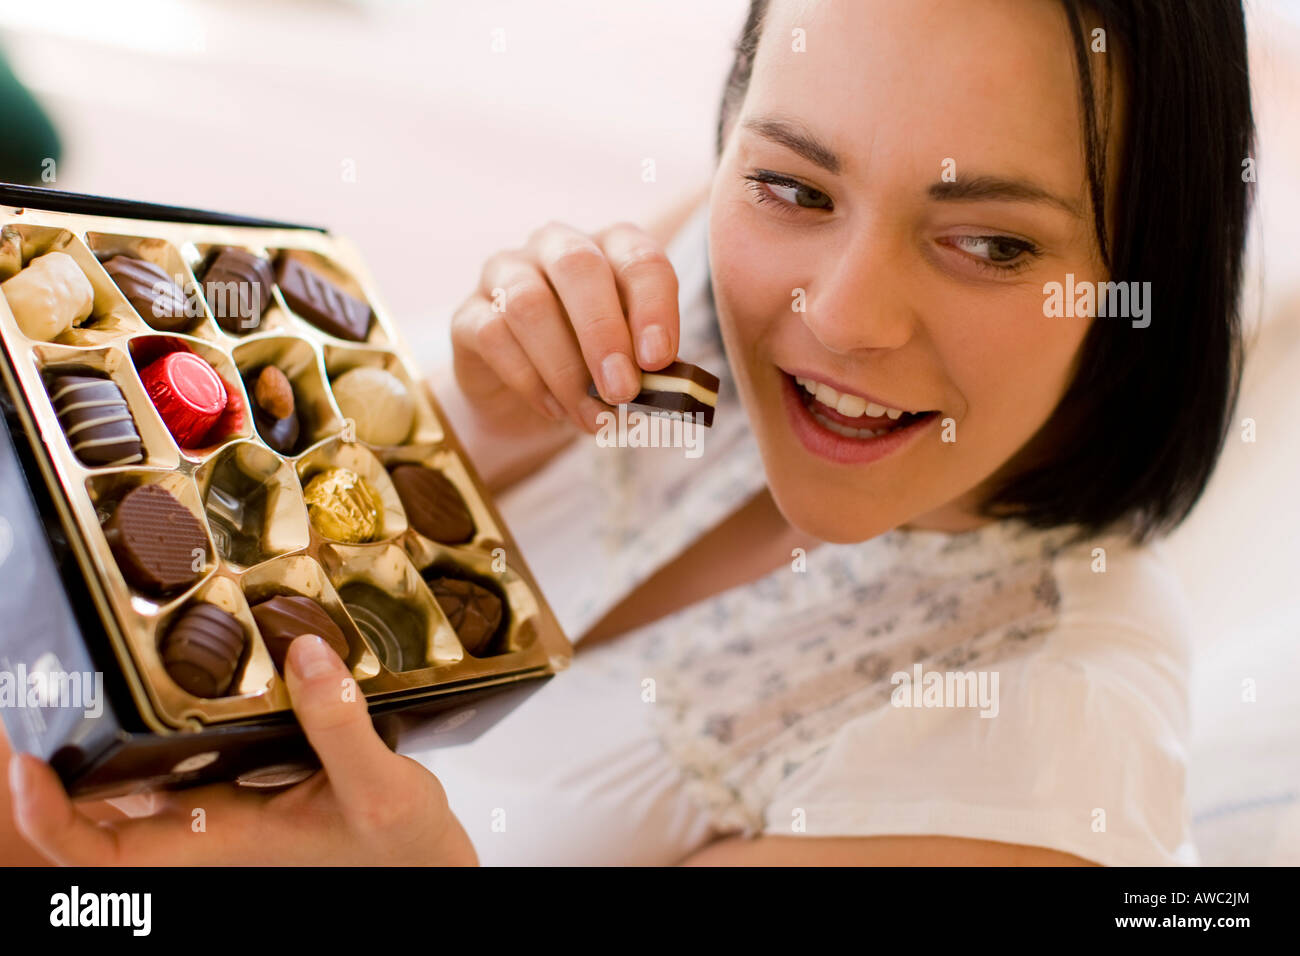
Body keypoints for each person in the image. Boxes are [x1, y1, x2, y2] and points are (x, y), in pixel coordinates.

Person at [8, 0, 1254, 866]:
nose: (840, 317)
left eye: (991, 242)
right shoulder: (705, 302)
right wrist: (466, 418)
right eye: (793, 185)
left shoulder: (1040, 752)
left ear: (1145, 274)